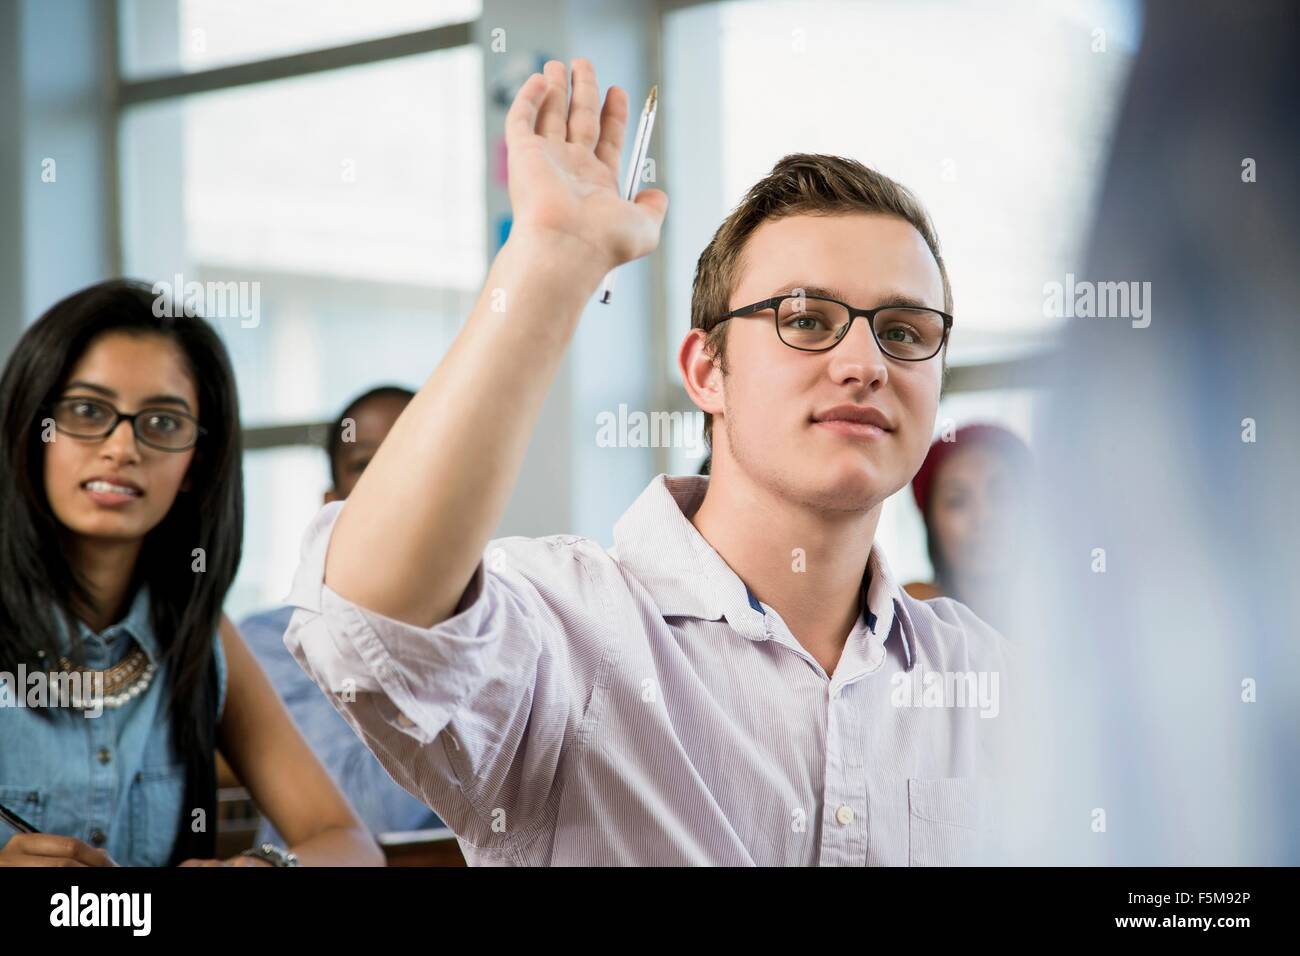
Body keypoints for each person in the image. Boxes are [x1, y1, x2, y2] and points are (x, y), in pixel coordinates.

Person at [283, 59, 1011, 865]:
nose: (865, 363)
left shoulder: (981, 673)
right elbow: (370, 621)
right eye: (806, 320)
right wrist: (551, 259)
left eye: (904, 332)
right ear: (706, 372)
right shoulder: (570, 629)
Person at [0, 280, 382, 867]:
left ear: (195, 463)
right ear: (34, 430)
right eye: (87, 411)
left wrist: (264, 869)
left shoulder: (199, 635)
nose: (122, 447)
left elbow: (351, 846)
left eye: (162, 422)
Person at [240, 385, 444, 845]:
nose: (394, 483)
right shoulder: (271, 643)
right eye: (367, 465)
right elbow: (365, 810)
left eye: (417, 458)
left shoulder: (511, 615)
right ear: (332, 503)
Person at [904, 423, 1032, 632]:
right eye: (957, 501)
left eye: (999, 494)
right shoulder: (912, 614)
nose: (982, 517)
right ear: (930, 523)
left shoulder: (1070, 612)